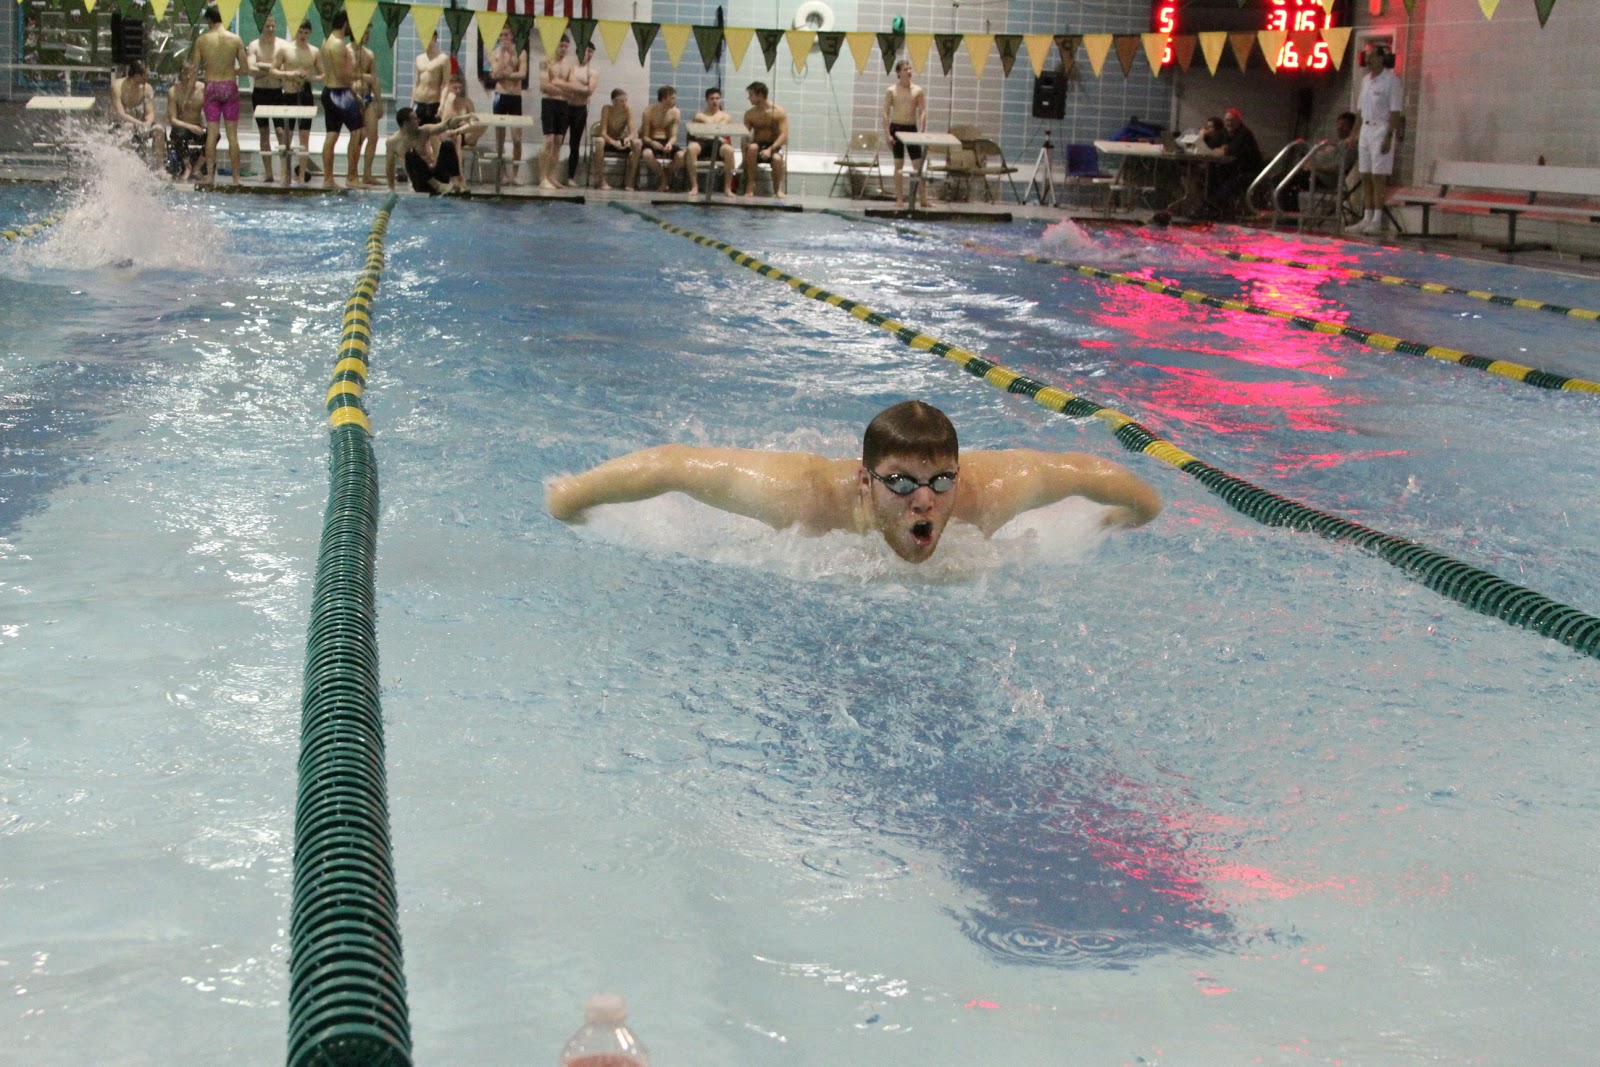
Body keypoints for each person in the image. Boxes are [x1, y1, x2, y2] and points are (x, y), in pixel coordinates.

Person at [545, 400, 1162, 564]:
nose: (925, 500)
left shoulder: (985, 496)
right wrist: (572, 498)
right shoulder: (806, 499)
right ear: (865, 481)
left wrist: (1129, 517)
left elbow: (1089, 472)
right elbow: (673, 463)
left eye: (940, 480)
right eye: (902, 483)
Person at [190, 5, 249, 186]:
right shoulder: (235, 39)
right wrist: (232, 71)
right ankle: (236, 178)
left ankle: (210, 176)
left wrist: (188, 93)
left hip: (211, 87)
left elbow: (193, 71)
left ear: (209, 20)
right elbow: (245, 70)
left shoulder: (202, 40)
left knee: (211, 134)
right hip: (229, 86)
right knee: (232, 136)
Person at [1354, 44, 1404, 235]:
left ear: (1382, 58)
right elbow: (1360, 111)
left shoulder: (1391, 81)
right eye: (1367, 57)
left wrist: (1388, 137)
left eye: (1372, 57)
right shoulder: (1366, 80)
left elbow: (1395, 112)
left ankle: (1377, 219)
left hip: (1381, 130)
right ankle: (1366, 217)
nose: (1368, 60)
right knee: (1365, 174)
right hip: (1366, 130)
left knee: (1378, 177)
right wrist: (1354, 134)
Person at [386, 105, 479, 195]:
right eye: (415, 119)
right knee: (410, 153)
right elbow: (390, 166)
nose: (419, 120)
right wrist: (391, 189)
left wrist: (466, 116)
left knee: (447, 144)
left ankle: (457, 184)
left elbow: (446, 125)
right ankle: (437, 186)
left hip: (439, 178)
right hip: (421, 183)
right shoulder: (393, 141)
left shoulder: (423, 131)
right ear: (406, 123)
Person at [318, 11, 363, 190]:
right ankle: (351, 177)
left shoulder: (325, 42)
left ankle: (328, 180)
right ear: (345, 24)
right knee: (357, 132)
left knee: (332, 135)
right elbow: (342, 75)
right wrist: (362, 78)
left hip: (329, 92)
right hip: (340, 94)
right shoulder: (339, 45)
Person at [274, 20, 321, 185]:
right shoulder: (285, 49)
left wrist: (310, 77)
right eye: (300, 32)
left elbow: (323, 75)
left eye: (306, 33)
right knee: (287, 137)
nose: (303, 36)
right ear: (296, 32)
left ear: (310, 33)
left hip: (306, 94)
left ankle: (301, 175)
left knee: (304, 138)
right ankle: (284, 174)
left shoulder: (314, 51)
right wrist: (290, 74)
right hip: (289, 94)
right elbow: (274, 70)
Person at [883, 59, 928, 209]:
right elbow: (885, 113)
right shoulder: (892, 91)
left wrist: (922, 129)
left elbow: (922, 111)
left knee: (918, 165)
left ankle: (923, 199)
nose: (909, 72)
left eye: (910, 69)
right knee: (899, 165)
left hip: (911, 129)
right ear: (898, 72)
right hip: (896, 129)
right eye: (905, 69)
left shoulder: (917, 90)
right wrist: (888, 134)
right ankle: (900, 199)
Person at [1206, 106, 1262, 220]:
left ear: (1238, 121)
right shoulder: (1222, 133)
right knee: (1209, 176)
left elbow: (1233, 152)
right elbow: (1210, 148)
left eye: (1232, 120)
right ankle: (1213, 209)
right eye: (1227, 120)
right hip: (1229, 169)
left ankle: (1211, 208)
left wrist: (1223, 150)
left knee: (1227, 182)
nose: (1229, 123)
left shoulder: (1245, 134)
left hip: (1246, 172)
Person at [247, 16, 285, 182]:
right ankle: (269, 173)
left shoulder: (282, 45)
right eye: (267, 26)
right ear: (261, 26)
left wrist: (262, 66)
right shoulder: (254, 45)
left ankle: (284, 172)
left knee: (281, 132)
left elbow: (285, 68)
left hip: (277, 93)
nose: (270, 29)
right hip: (260, 93)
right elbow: (250, 69)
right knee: (264, 134)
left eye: (272, 26)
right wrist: (272, 69)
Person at [488, 26, 528, 183]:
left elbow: (522, 74)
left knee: (517, 138)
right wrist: (503, 59)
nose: (503, 38)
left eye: (506, 35)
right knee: (500, 138)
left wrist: (508, 72)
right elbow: (495, 74)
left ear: (512, 36)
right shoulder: (495, 53)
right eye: (501, 35)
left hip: (515, 97)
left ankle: (515, 174)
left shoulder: (521, 52)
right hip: (500, 97)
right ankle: (503, 174)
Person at [109, 60, 166, 169]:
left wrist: (147, 124)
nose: (148, 78)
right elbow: (121, 113)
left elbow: (150, 112)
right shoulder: (117, 87)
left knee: (159, 129)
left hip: (140, 123)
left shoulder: (147, 88)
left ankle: (160, 168)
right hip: (121, 123)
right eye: (146, 75)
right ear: (136, 76)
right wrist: (140, 124)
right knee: (128, 127)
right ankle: (128, 167)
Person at [537, 35, 575, 188]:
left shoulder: (569, 65)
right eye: (561, 46)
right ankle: (542, 178)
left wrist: (557, 84)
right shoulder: (545, 63)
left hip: (563, 105)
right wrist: (564, 89)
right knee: (549, 140)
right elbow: (544, 86)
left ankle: (551, 176)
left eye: (566, 46)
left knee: (558, 142)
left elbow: (572, 88)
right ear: (555, 46)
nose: (563, 50)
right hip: (549, 103)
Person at [684, 86, 737, 196]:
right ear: (707, 100)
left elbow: (719, 131)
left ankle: (727, 188)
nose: (715, 101)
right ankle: (694, 186)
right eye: (712, 98)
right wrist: (713, 130)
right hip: (702, 143)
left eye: (717, 98)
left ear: (720, 100)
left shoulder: (725, 116)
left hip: (719, 144)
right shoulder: (699, 115)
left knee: (729, 150)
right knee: (691, 148)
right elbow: (696, 133)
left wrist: (707, 128)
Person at [741, 80, 788, 198]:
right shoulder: (750, 114)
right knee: (752, 147)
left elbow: (784, 136)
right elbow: (745, 135)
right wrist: (743, 156)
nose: (749, 98)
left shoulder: (778, 112)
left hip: (774, 145)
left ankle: (777, 188)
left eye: (751, 95)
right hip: (757, 145)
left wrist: (770, 150)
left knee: (777, 159)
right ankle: (751, 183)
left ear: (760, 96)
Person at [591, 87, 640, 190]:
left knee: (637, 143)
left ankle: (630, 181)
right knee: (599, 141)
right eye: (622, 101)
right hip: (608, 139)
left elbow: (633, 133)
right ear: (614, 101)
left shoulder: (628, 110)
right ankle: (600, 180)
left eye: (626, 100)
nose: (624, 103)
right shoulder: (607, 109)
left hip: (620, 138)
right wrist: (613, 142)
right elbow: (603, 133)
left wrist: (628, 139)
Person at [564, 43, 598, 185]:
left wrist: (572, 86)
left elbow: (589, 91)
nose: (589, 54)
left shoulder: (593, 72)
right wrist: (581, 87)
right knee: (556, 141)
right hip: (565, 107)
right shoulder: (569, 67)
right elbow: (564, 86)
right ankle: (550, 174)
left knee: (575, 144)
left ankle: (570, 177)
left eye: (591, 52)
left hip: (580, 110)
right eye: (587, 51)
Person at [166, 63, 207, 181]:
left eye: (192, 73)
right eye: (186, 73)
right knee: (179, 134)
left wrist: (208, 126)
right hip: (182, 126)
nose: (189, 77)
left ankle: (197, 167)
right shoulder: (174, 91)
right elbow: (172, 119)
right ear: (180, 74)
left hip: (197, 127)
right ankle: (187, 166)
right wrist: (190, 127)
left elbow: (210, 113)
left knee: (214, 136)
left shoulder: (202, 89)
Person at [638, 85, 683, 191]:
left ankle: (665, 174)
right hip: (651, 140)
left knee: (682, 156)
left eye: (675, 98)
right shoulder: (648, 112)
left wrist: (670, 144)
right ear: (663, 99)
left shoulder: (675, 112)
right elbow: (644, 136)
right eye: (672, 98)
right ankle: (664, 179)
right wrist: (652, 142)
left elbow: (674, 136)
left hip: (666, 141)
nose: (675, 101)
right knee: (647, 154)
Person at [354, 26, 383, 186]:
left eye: (368, 33)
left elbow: (374, 80)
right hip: (352, 97)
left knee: (373, 136)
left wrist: (379, 102)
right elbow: (342, 78)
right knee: (357, 137)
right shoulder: (346, 52)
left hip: (367, 97)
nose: (367, 36)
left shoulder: (369, 55)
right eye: (364, 32)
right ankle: (353, 174)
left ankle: (367, 175)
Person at [413, 31, 451, 125]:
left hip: (433, 102)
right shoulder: (419, 58)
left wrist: (442, 105)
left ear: (434, 38)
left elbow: (446, 84)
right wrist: (412, 104)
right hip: (418, 101)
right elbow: (417, 82)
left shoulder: (443, 59)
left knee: (433, 135)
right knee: (416, 134)